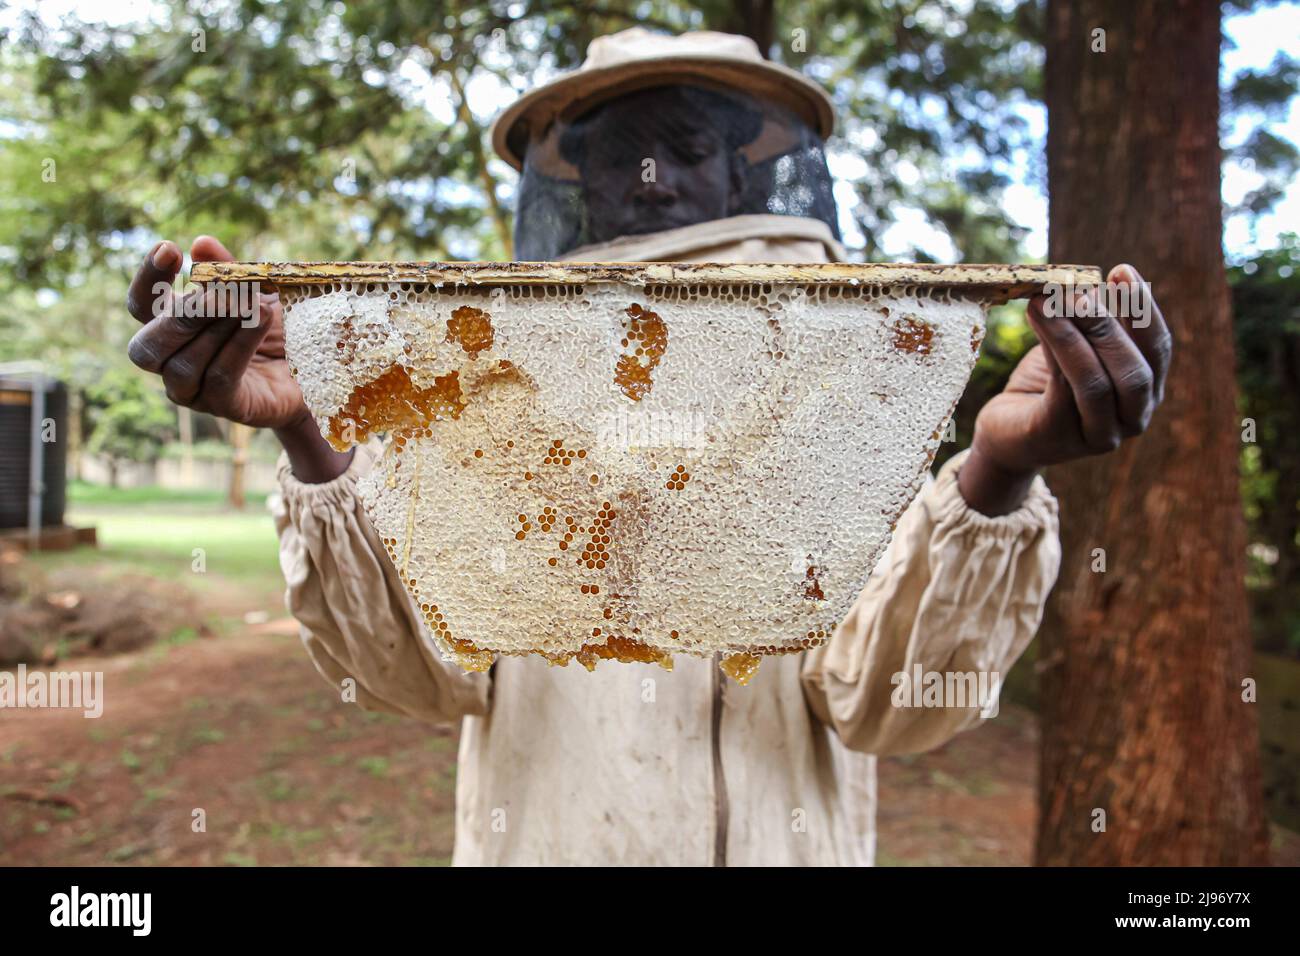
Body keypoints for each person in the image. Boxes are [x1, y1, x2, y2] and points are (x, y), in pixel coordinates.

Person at [123, 28, 1172, 865]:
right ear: (573, 180)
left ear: (743, 169)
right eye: (618, 149)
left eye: (688, 143)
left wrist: (998, 471)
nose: (654, 174)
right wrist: (311, 430)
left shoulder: (846, 379)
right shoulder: (493, 369)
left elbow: (881, 704)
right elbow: (421, 676)